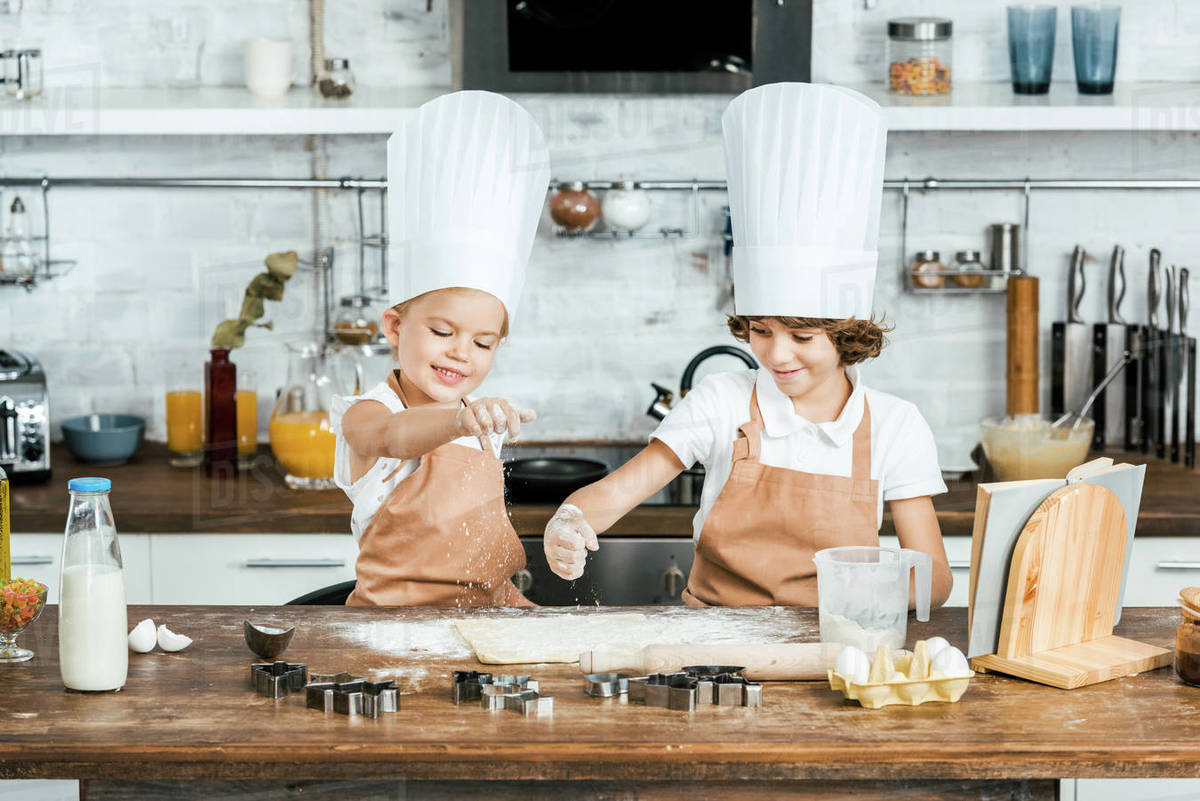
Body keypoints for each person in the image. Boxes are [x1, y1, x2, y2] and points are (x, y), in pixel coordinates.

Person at [542, 83, 952, 607]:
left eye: (801, 336)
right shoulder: (722, 401)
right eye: (761, 331)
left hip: (832, 648)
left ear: (847, 336)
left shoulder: (896, 425)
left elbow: (935, 581)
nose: (777, 354)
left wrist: (867, 589)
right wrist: (570, 523)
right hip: (708, 645)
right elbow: (619, 491)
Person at [331, 91, 549, 606]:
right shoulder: (368, 416)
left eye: (481, 342)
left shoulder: (482, 424)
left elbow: (485, 577)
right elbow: (392, 436)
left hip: (483, 625)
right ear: (394, 326)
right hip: (390, 633)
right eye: (442, 332)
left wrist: (534, 620)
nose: (459, 353)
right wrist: (458, 422)